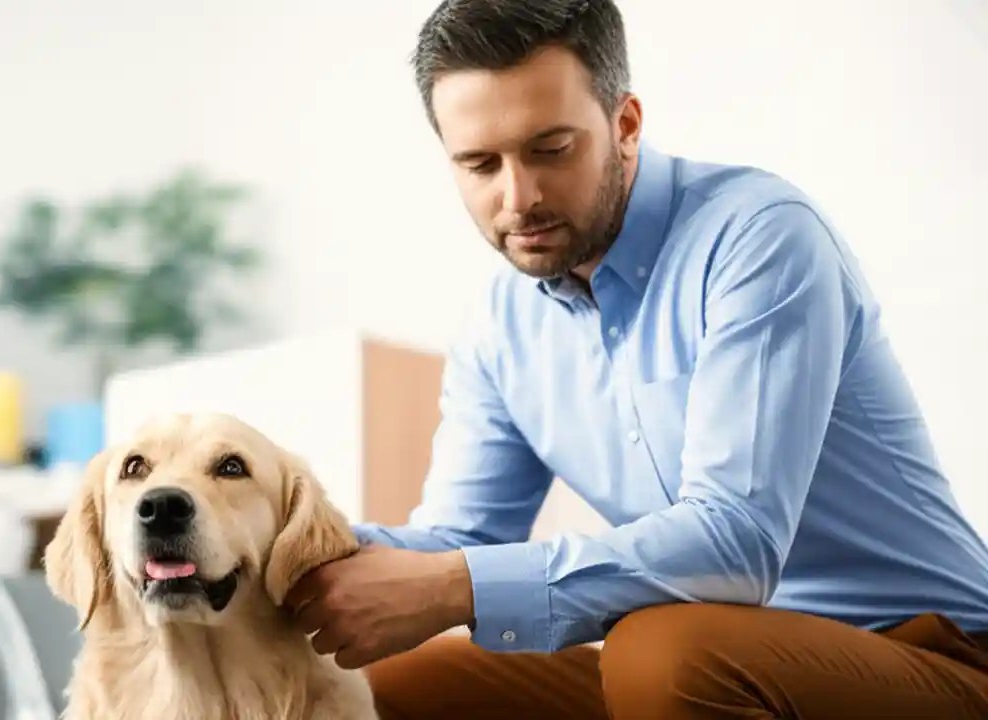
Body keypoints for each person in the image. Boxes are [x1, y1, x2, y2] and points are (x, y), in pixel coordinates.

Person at [281, 1, 988, 718]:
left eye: (550, 149)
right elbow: (461, 541)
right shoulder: (501, 324)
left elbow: (734, 544)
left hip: (934, 655)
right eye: (480, 164)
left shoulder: (757, 238)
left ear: (624, 125)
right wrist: (277, 544)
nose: (517, 197)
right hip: (711, 658)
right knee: (400, 680)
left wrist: (451, 586)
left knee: (661, 654)